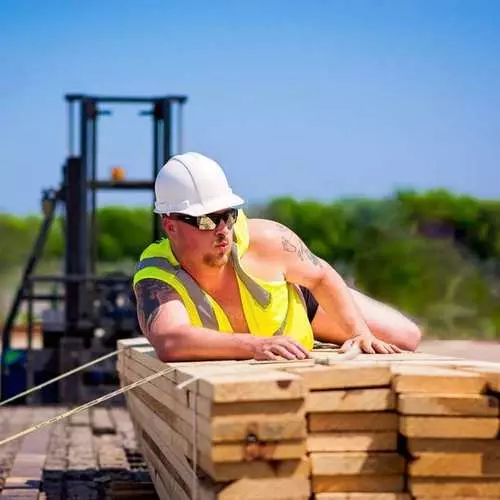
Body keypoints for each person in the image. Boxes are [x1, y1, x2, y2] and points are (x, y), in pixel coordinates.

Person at [133, 152, 422, 362]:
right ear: (171, 226)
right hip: (266, 335)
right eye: (206, 221)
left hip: (303, 303)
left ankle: (323, 333)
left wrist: (359, 333)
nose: (222, 230)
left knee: (406, 337)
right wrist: (255, 345)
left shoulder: (267, 239)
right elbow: (170, 340)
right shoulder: (158, 276)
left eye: (228, 216)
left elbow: (321, 276)